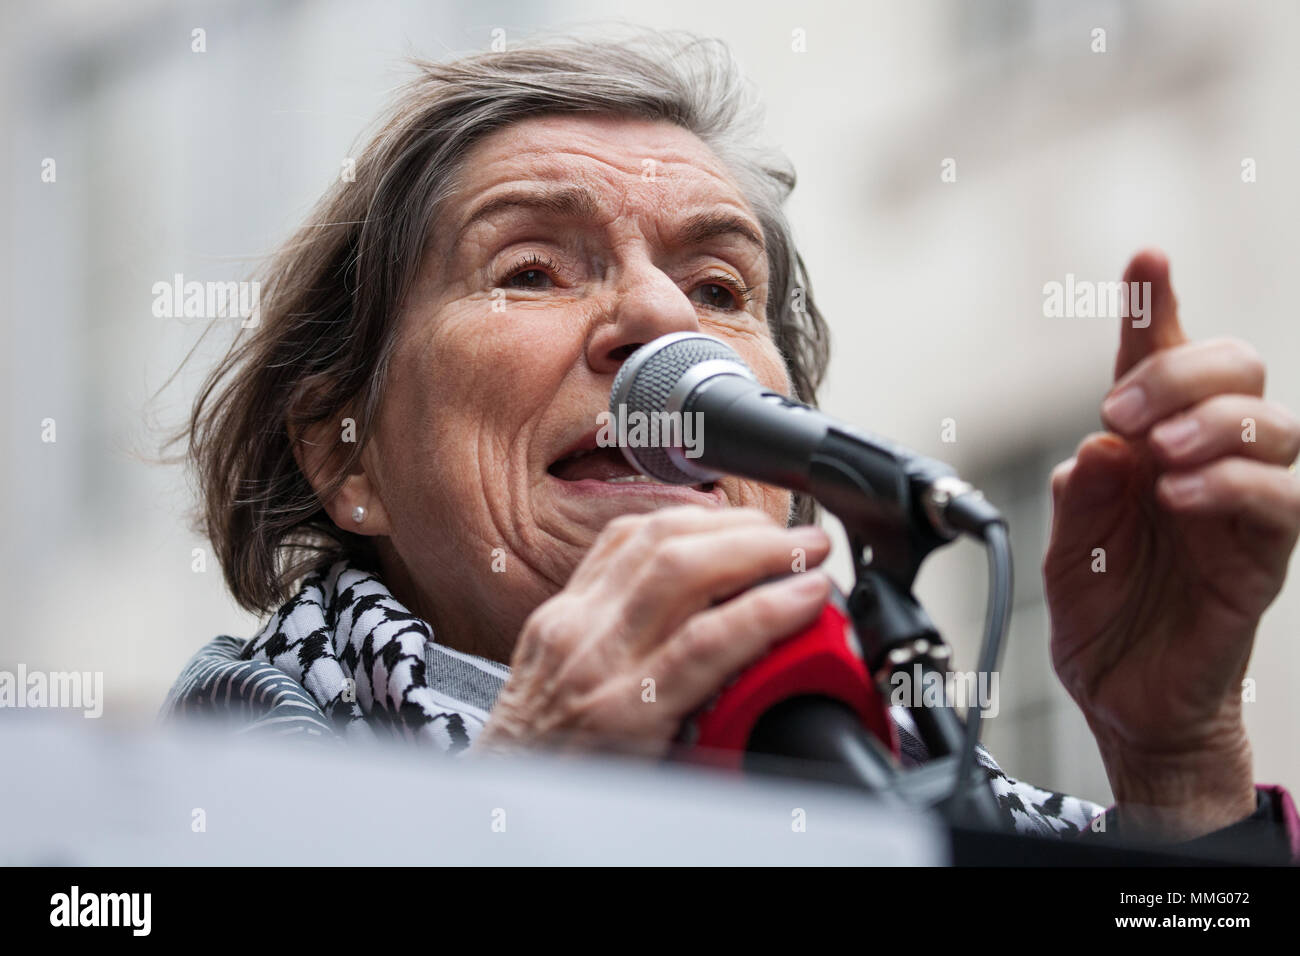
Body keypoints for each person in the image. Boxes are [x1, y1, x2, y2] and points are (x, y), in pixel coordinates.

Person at [162, 31, 1300, 857]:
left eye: (717, 284)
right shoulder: (196, 800)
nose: (662, 319)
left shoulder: (922, 776)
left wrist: (1173, 764)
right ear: (346, 457)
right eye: (530, 271)